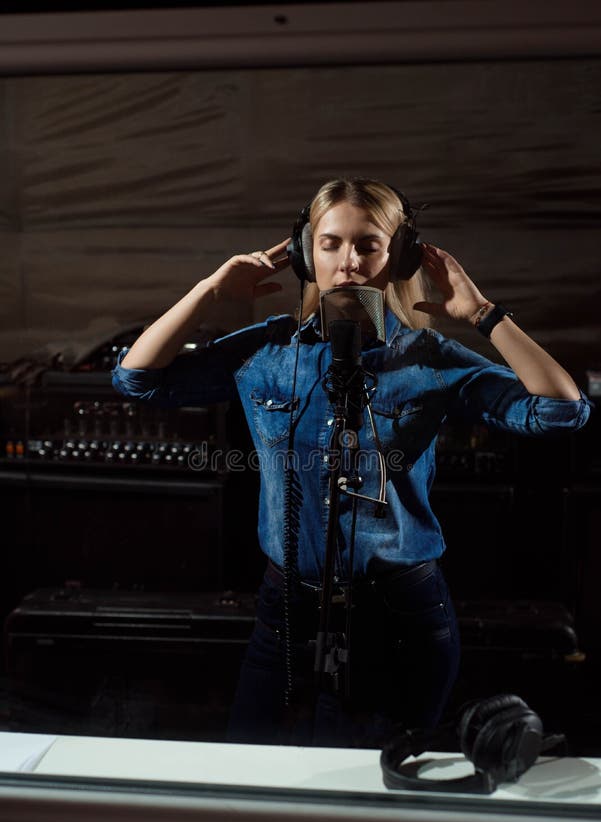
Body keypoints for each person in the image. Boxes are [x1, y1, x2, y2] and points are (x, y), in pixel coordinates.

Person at [112, 176, 591, 748]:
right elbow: (136, 379)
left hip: (401, 616)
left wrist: (483, 313)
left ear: (400, 255)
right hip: (285, 610)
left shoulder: (430, 358)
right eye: (331, 243)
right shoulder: (267, 350)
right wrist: (213, 290)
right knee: (252, 773)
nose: (348, 262)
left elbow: (563, 412)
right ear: (304, 253)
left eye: (368, 244)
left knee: (378, 795)